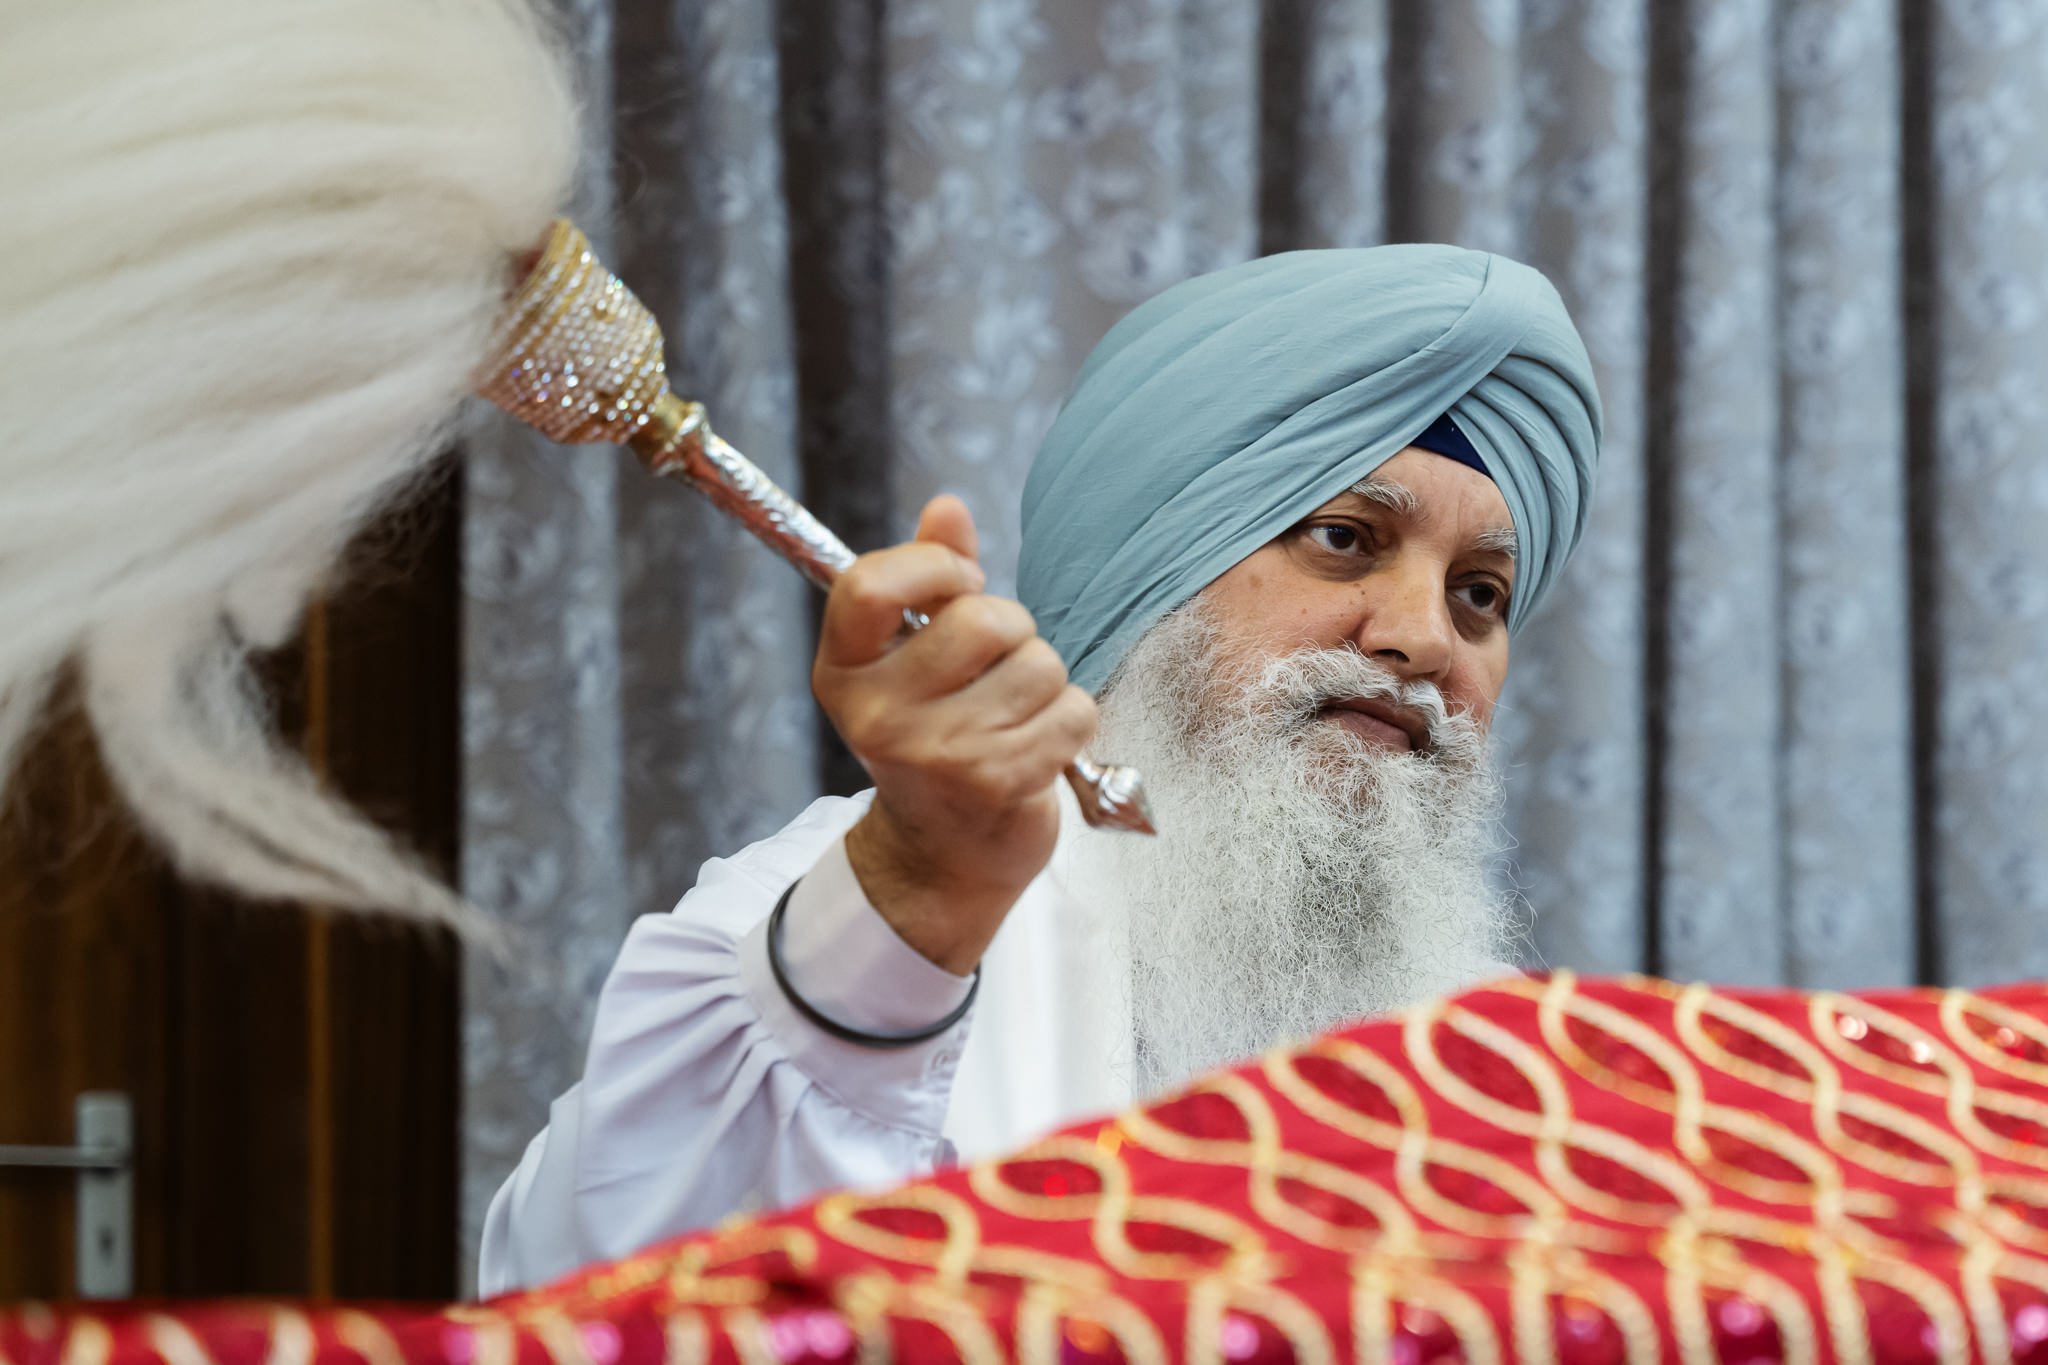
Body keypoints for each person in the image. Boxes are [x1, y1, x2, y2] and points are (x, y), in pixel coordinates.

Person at [479, 246, 1603, 1294]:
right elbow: (591, 1292)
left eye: (1479, 594)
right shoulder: (853, 913)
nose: (1424, 638)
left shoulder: (1504, 1064)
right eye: (1345, 538)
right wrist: (913, 899)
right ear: (1158, 568)